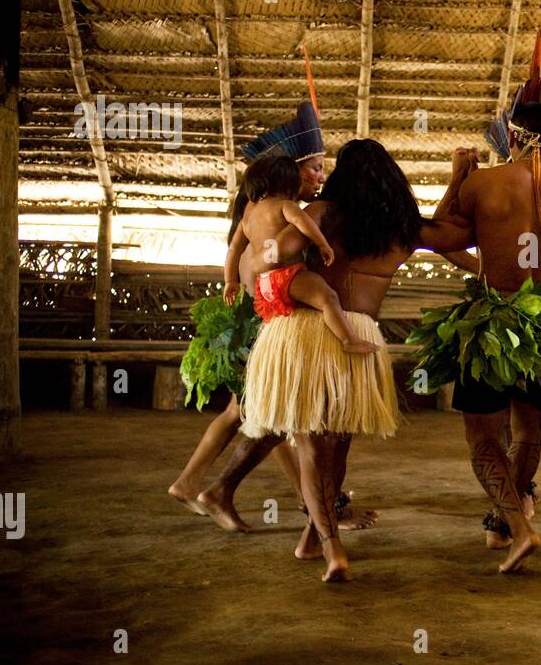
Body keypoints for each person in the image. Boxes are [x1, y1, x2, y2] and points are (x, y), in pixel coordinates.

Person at [236, 138, 474, 582]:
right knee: (337, 442)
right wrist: (461, 178)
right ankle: (315, 537)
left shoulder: (324, 212)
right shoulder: (404, 228)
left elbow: (277, 252)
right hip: (359, 335)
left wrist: (255, 254)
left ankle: (331, 547)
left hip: (306, 330)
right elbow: (454, 232)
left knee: (310, 446)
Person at [425, 32, 541, 575]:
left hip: (495, 318)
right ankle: (510, 517)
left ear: (511, 131)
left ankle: (516, 525)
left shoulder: (485, 183)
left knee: (483, 436)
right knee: (530, 431)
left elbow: (436, 237)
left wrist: (457, 178)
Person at [166, 105, 328, 520]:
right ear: (291, 175)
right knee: (258, 414)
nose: (321, 177)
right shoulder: (283, 219)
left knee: (266, 416)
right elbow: (272, 265)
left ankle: (308, 502)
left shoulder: (253, 217)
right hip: (262, 323)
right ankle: (200, 485)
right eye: (315, 169)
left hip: (257, 319)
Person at [225, 154, 376, 355]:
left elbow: (234, 249)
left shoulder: (248, 217)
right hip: (287, 276)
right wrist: (322, 244)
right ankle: (349, 340)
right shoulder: (284, 205)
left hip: (264, 286)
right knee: (328, 298)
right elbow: (303, 222)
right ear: (289, 182)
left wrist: (230, 281)